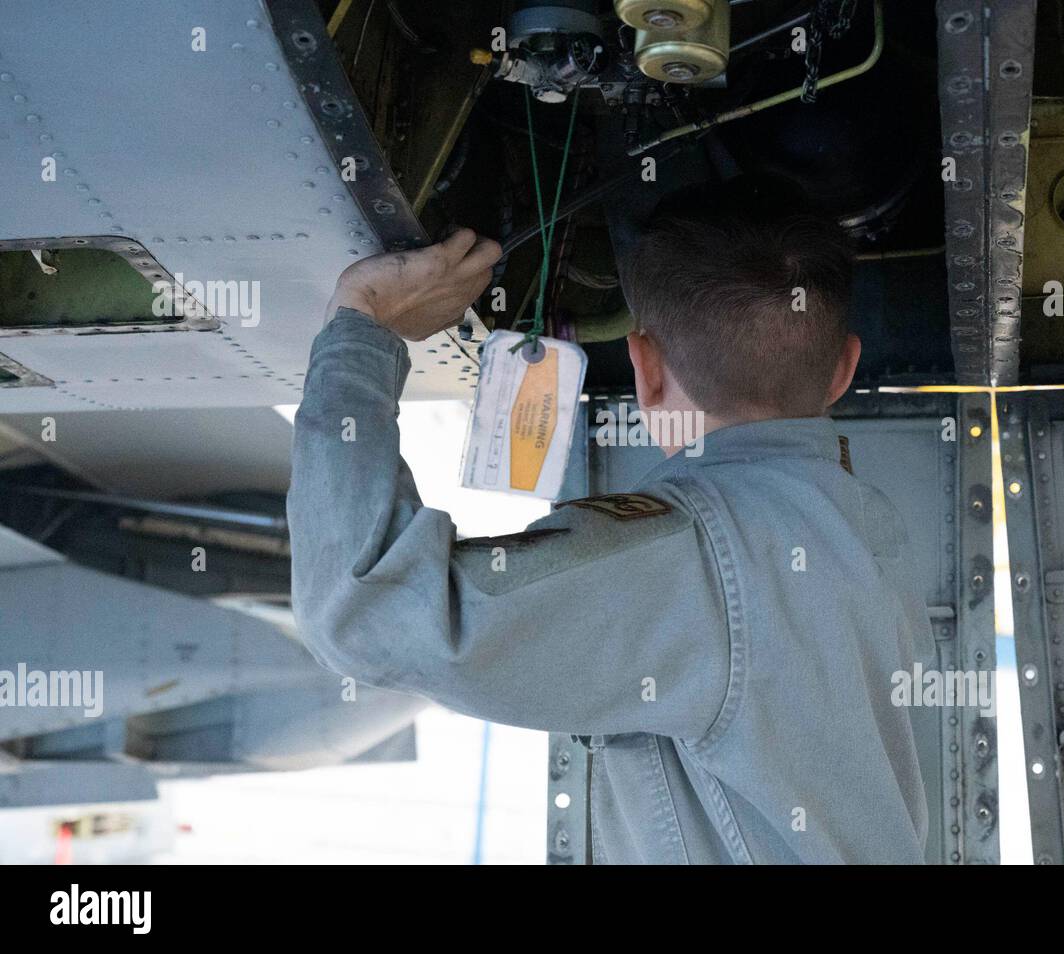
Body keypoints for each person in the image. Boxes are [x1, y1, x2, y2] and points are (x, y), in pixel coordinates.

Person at [288, 182, 934, 863]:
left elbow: (360, 607)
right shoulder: (866, 533)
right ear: (844, 369)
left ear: (645, 370)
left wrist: (364, 325)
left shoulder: (693, 559)